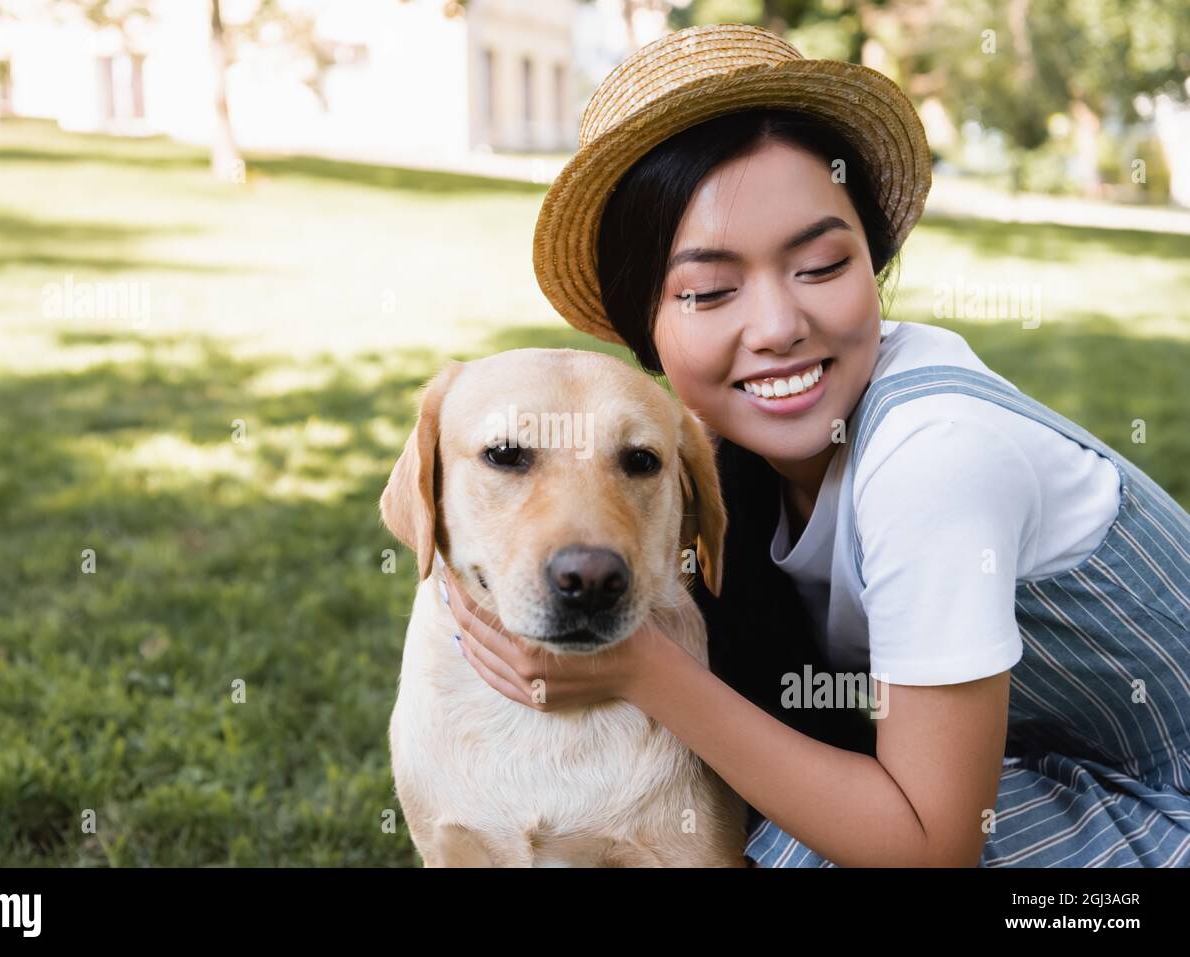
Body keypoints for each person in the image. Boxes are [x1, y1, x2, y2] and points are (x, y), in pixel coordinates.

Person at [441, 23, 1190, 866]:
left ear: (875, 262)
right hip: (1058, 772)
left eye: (823, 266)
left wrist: (643, 670)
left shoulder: (933, 456)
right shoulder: (709, 462)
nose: (778, 327)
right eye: (712, 289)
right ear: (640, 328)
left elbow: (931, 847)